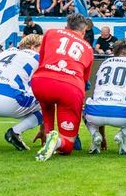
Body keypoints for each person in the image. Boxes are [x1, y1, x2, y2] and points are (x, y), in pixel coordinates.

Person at [30, 12, 95, 161]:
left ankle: (48, 135)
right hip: (69, 87)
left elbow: (42, 59)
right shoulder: (88, 49)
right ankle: (57, 141)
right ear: (84, 31)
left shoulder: (50, 33)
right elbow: (84, 81)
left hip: (41, 81)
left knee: (46, 104)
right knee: (67, 147)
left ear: (66, 26)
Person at [84, 40, 126, 155]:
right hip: (122, 116)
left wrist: (103, 136)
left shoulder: (104, 64)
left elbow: (98, 91)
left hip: (95, 114)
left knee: (90, 103)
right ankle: (123, 134)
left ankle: (95, 134)